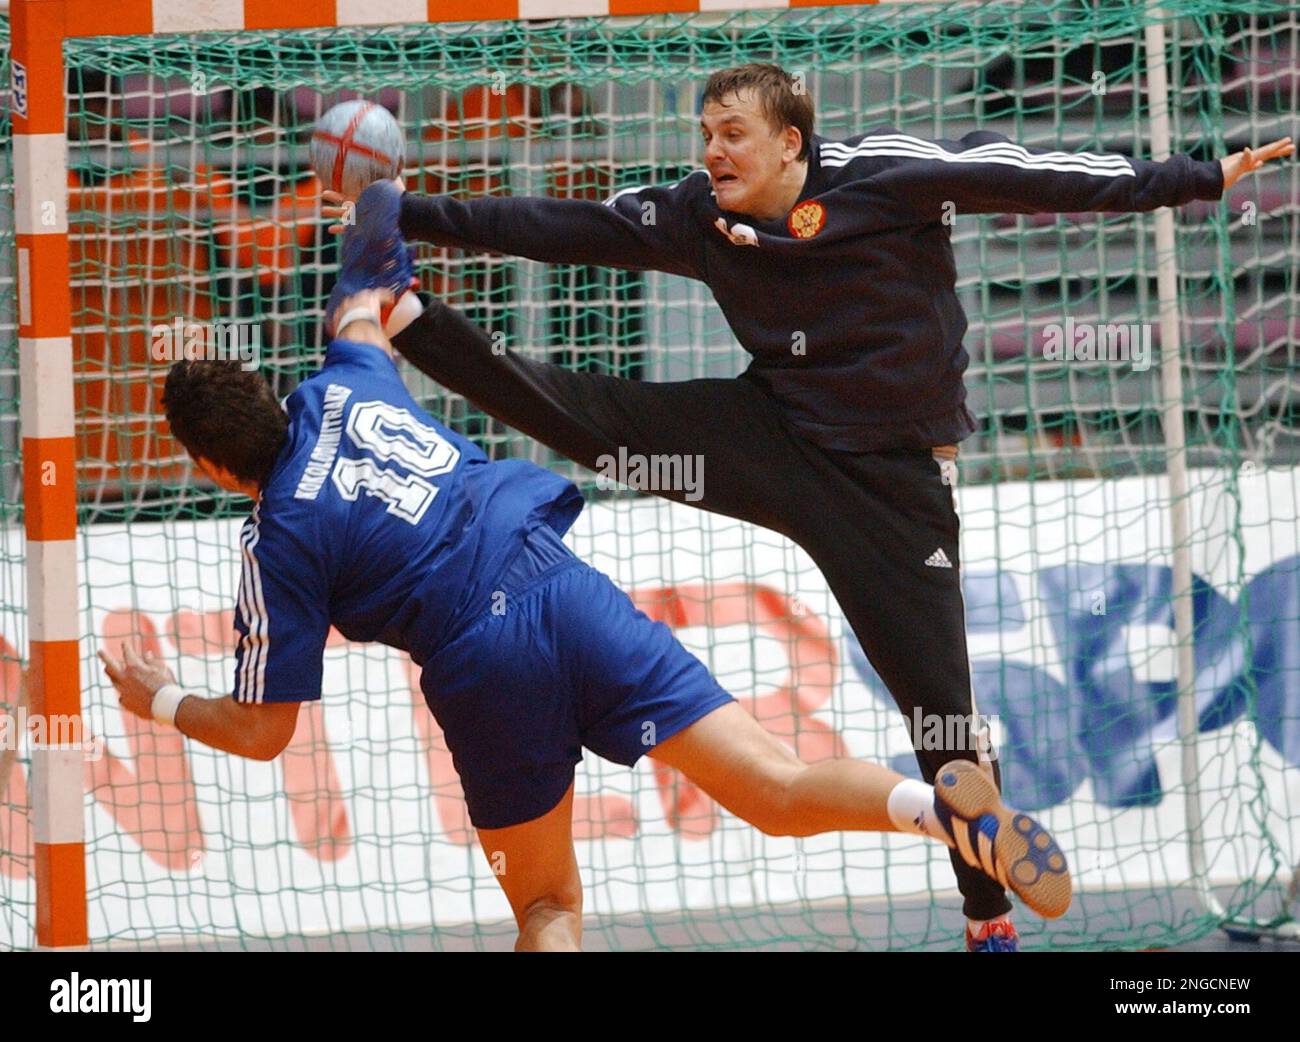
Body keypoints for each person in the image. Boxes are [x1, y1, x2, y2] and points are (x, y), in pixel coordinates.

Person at [323, 62, 1292, 950]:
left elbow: (1034, 174)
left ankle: (987, 916)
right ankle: (405, 311)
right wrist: (411, 212)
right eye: (704, 132)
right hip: (775, 437)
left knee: (943, 718)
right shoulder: (698, 214)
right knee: (603, 428)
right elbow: (565, 228)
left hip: (892, 487)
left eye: (732, 133)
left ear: (791, 142)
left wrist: (1194, 177)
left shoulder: (885, 176)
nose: (711, 151)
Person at [98, 271, 1070, 953]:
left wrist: (163, 700)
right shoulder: (344, 384)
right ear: (270, 392)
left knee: (550, 906)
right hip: (563, 584)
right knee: (777, 786)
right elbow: (360, 306)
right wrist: (365, 203)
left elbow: (267, 731)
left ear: (212, 468)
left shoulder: (279, 541)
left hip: (483, 660)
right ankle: (938, 811)